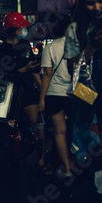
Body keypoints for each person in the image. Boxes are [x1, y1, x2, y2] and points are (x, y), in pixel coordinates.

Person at [0, 12, 43, 159]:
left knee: (37, 126)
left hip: (27, 90)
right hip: (9, 93)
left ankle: (40, 159)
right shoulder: (2, 50)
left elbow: (33, 68)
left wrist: (42, 89)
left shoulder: (25, 44)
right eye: (21, 27)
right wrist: (24, 70)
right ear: (13, 29)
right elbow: (3, 74)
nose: (24, 30)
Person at [39, 25, 75, 180]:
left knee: (60, 132)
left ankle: (67, 168)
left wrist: (42, 99)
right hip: (75, 94)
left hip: (54, 94)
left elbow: (47, 75)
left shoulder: (50, 47)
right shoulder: (77, 45)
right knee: (76, 130)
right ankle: (79, 163)